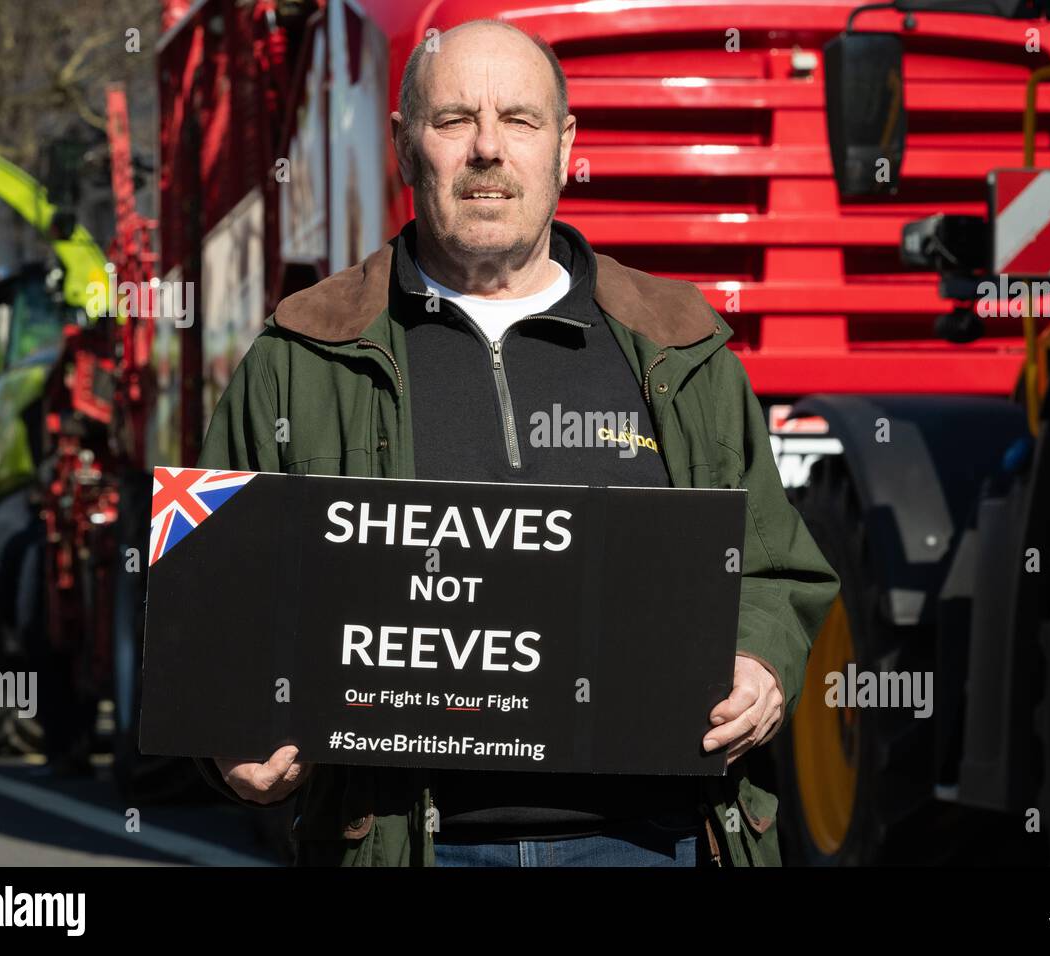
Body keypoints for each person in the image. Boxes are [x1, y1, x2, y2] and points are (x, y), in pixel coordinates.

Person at [193, 18, 839, 866]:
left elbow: (776, 569)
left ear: (566, 145)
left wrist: (759, 659)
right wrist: (230, 730)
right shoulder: (305, 356)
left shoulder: (681, 347)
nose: (488, 149)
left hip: (654, 842)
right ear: (403, 144)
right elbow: (215, 602)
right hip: (412, 845)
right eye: (454, 119)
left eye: (521, 121)